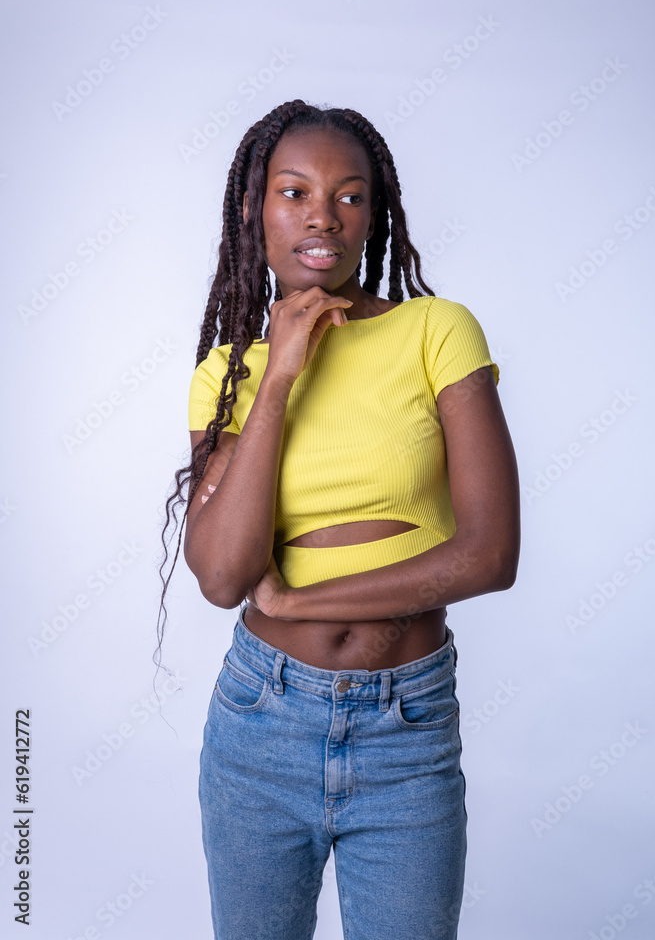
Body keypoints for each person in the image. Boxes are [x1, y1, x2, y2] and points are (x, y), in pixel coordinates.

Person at [160, 98, 520, 940]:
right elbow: (219, 576)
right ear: (255, 211)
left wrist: (293, 602)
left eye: (349, 195)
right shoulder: (228, 374)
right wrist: (280, 374)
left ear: (375, 214)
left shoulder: (436, 331)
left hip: (408, 731)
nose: (323, 214)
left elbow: (488, 554)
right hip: (260, 727)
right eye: (294, 191)